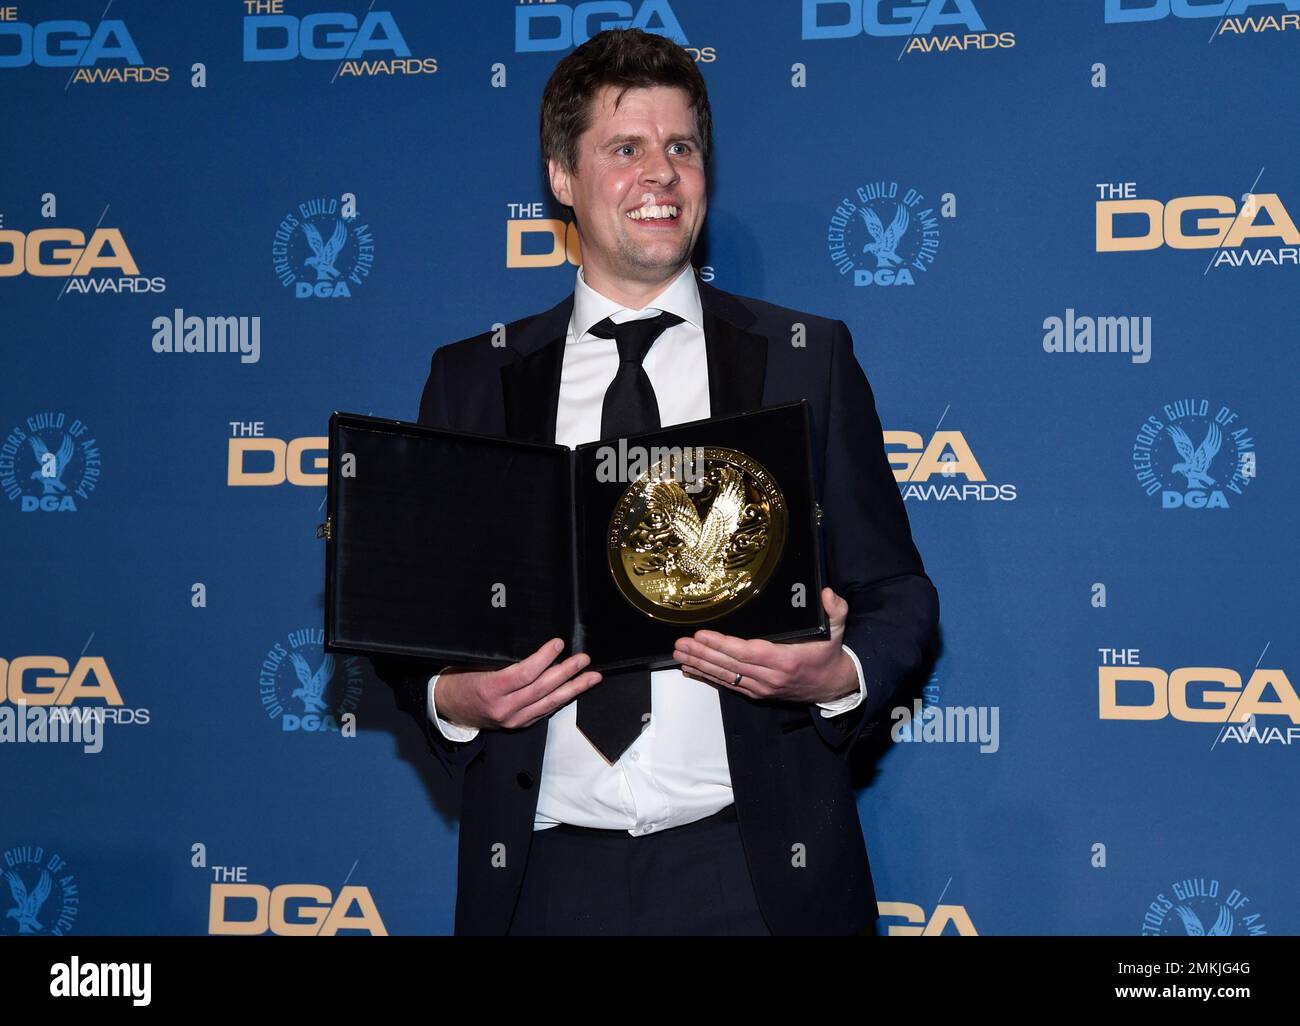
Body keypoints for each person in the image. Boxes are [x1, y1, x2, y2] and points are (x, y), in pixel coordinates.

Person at [373, 27, 938, 936]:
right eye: (625, 148)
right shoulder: (472, 380)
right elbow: (408, 627)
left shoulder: (805, 359)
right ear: (562, 176)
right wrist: (452, 699)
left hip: (753, 875)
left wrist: (836, 672)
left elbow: (898, 594)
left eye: (682, 147)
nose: (661, 174)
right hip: (542, 881)